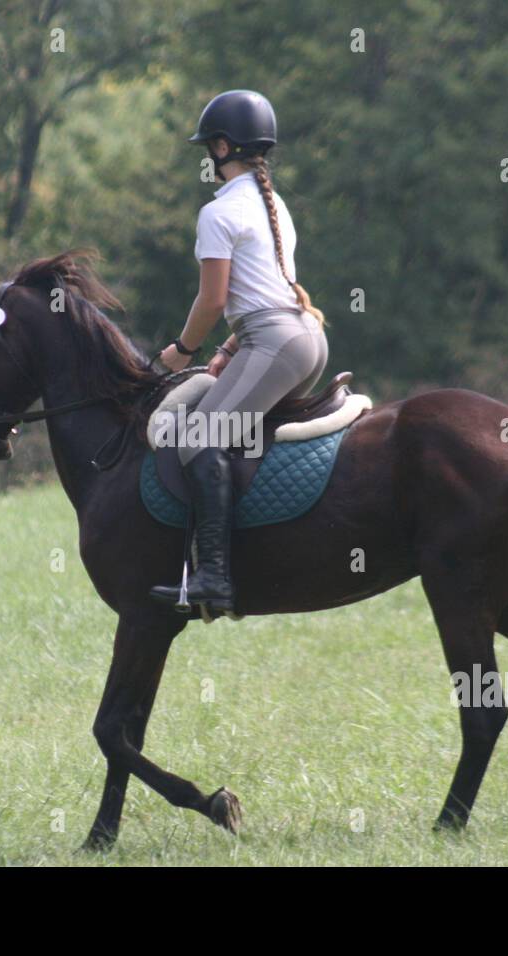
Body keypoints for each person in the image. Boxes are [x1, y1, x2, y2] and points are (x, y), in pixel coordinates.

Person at [150, 89, 329, 614]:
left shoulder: (219, 210)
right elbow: (268, 285)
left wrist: (183, 351)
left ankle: (215, 579)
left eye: (209, 147)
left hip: (274, 341)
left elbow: (213, 299)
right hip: (303, 338)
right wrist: (231, 345)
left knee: (199, 440)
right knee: (238, 435)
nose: (207, 156)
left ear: (224, 146)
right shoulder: (273, 203)